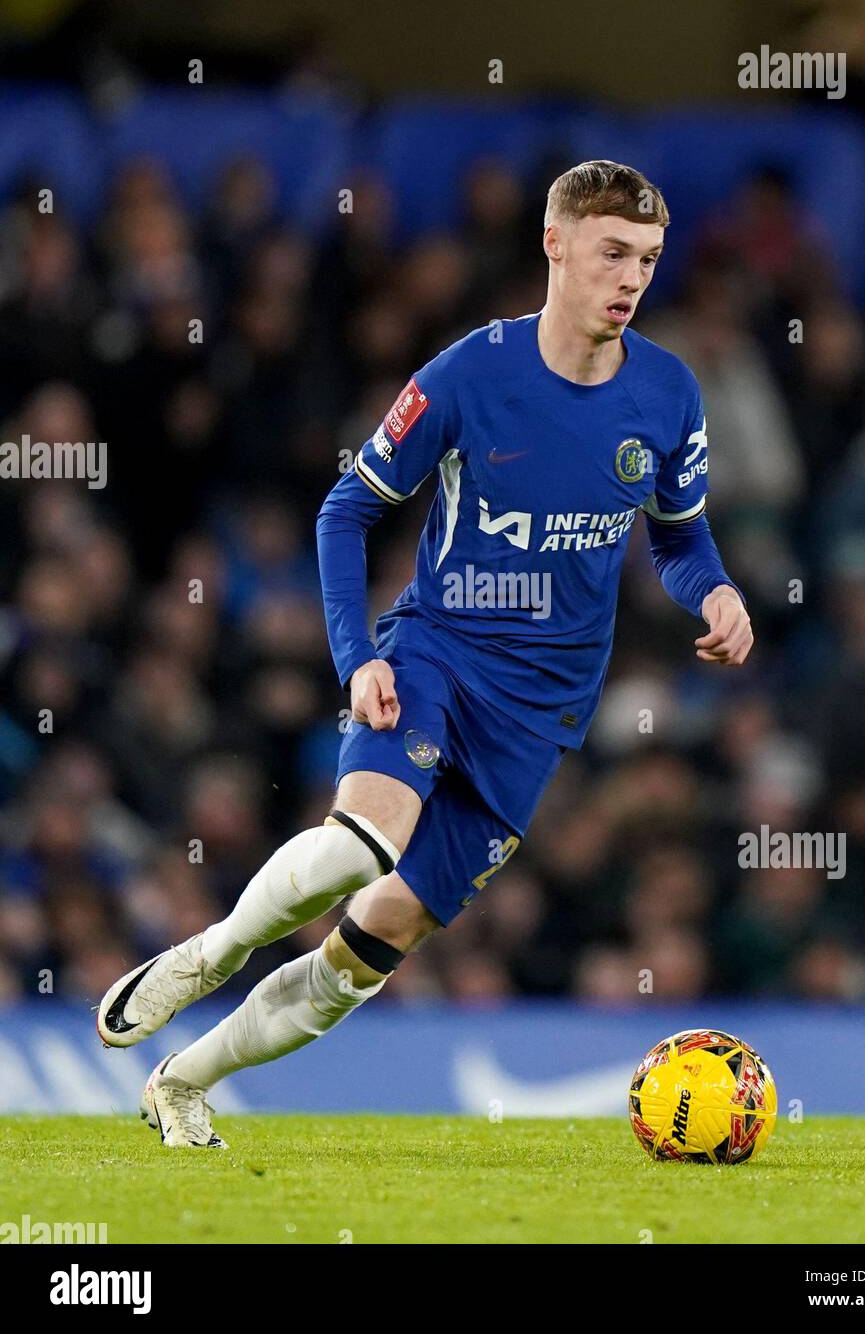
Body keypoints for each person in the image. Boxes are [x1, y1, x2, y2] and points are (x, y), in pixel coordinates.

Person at [97, 160, 752, 1147]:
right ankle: (211, 950)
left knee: (383, 933)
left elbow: (676, 533)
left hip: (541, 714)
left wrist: (718, 591)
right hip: (438, 651)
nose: (630, 278)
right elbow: (345, 510)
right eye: (613, 252)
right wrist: (358, 654)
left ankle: (187, 1079)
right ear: (556, 246)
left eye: (648, 260)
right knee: (363, 842)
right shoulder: (468, 374)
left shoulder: (665, 393)